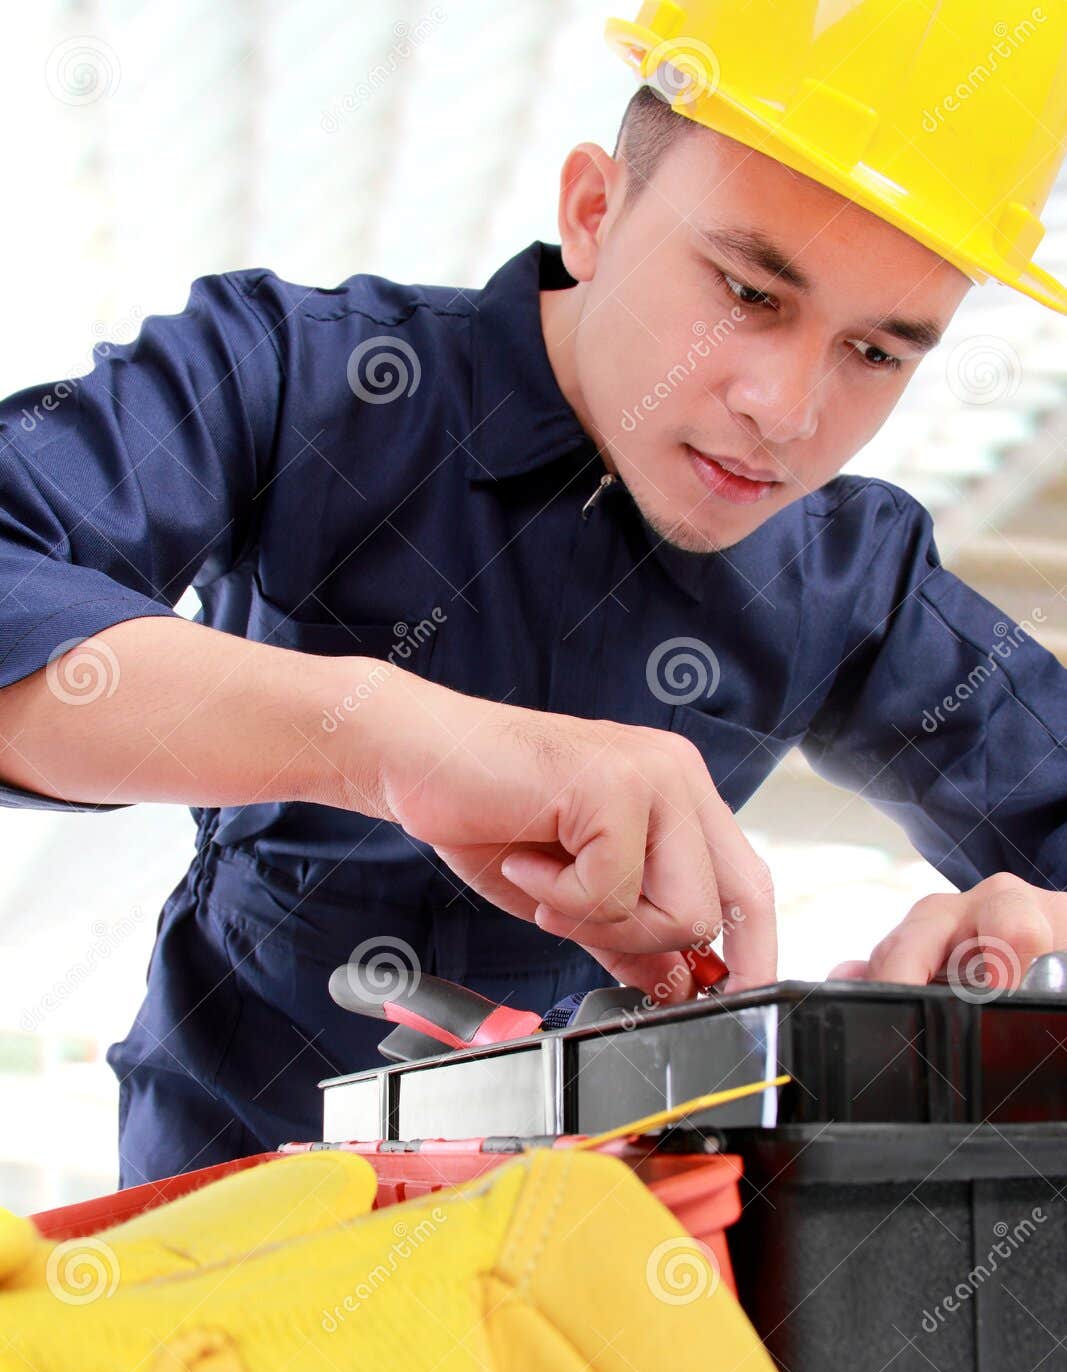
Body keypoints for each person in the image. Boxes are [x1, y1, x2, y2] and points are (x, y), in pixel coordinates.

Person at [0, 0, 1065, 1185]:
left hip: (585, 1266)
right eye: (748, 293)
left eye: (874, 352)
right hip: (221, 1211)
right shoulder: (296, 376)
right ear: (593, 212)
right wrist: (388, 739)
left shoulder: (852, 579)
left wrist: (1038, 941)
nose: (787, 408)